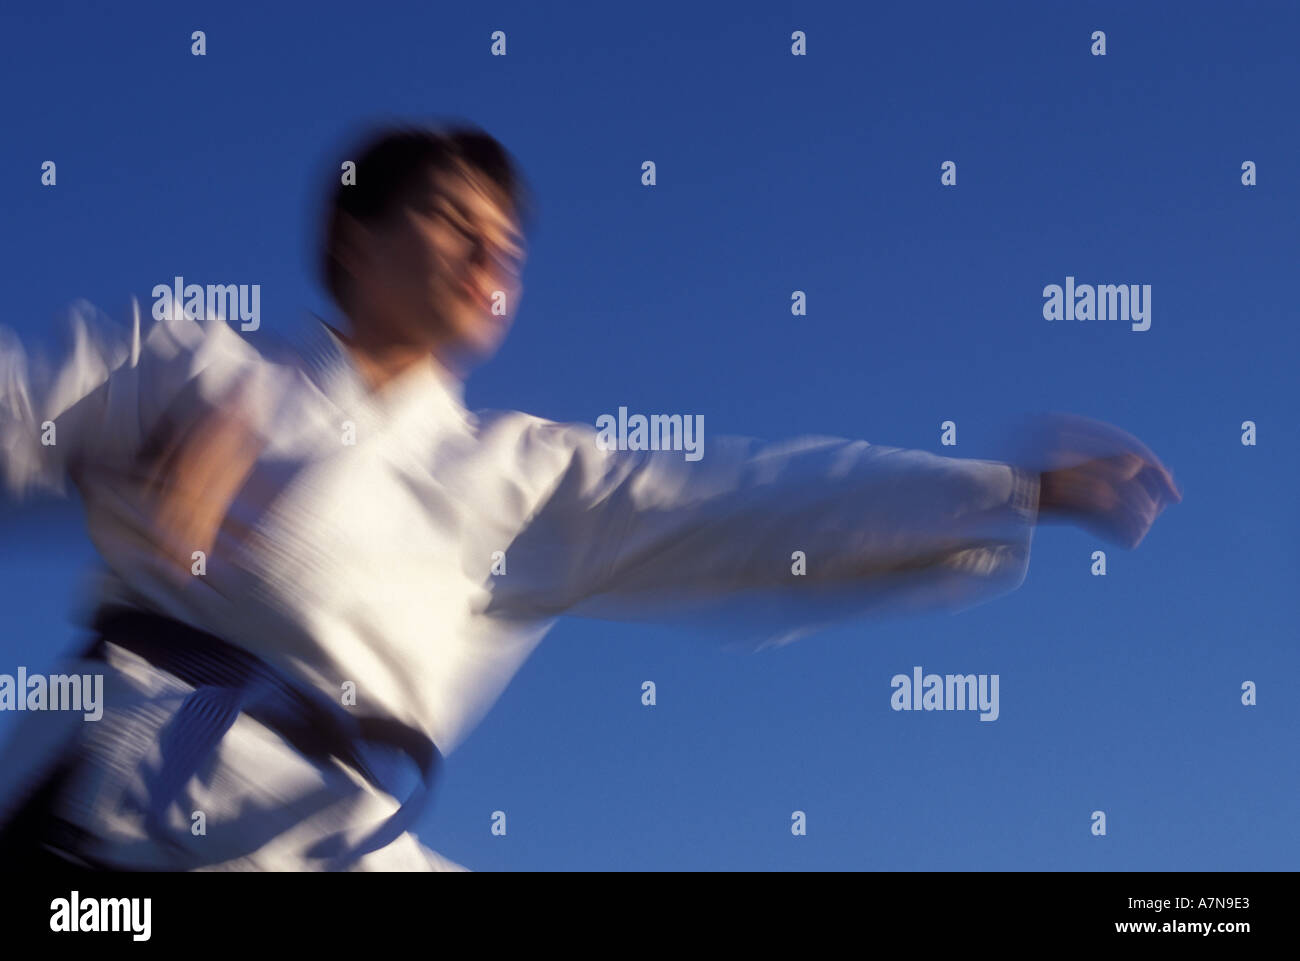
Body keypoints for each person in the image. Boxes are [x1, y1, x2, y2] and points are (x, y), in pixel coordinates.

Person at [0, 122, 1181, 871]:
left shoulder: (525, 474)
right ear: (353, 241)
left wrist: (1009, 492)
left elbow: (739, 504)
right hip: (124, 796)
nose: (487, 262)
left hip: (336, 833)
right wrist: (121, 450)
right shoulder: (201, 369)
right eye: (452, 222)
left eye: (506, 246)